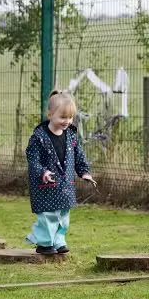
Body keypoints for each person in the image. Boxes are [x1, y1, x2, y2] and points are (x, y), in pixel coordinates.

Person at [25, 90, 96, 255]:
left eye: (70, 117)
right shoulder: (39, 137)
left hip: (65, 186)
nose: (67, 121)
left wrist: (84, 172)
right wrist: (43, 172)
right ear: (50, 114)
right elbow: (33, 159)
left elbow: (78, 155)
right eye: (63, 117)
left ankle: (59, 241)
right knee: (48, 216)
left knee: (63, 216)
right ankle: (44, 243)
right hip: (45, 186)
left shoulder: (71, 135)